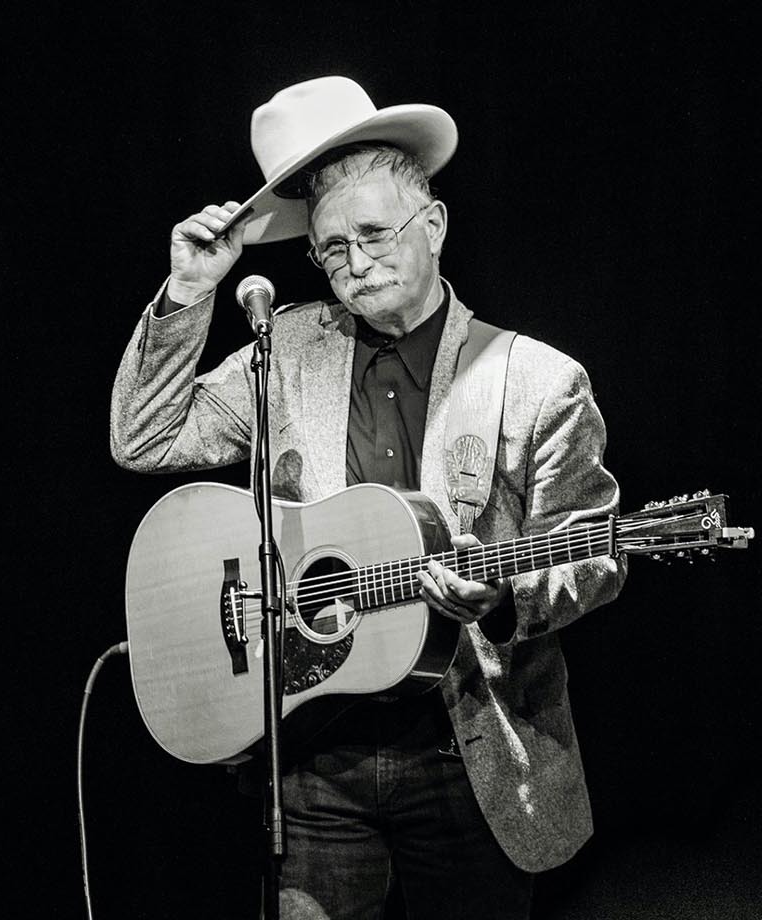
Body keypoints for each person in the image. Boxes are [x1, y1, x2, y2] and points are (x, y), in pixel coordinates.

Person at [110, 77, 627, 918]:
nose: (357, 264)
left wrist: (506, 594)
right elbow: (143, 436)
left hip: (471, 754)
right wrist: (188, 293)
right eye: (330, 249)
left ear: (435, 225)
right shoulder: (289, 347)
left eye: (374, 234)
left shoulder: (538, 379)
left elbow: (595, 552)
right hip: (313, 753)